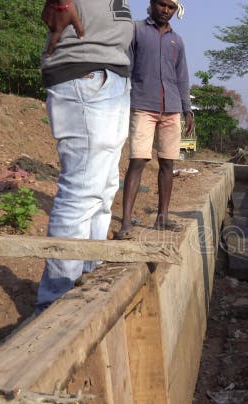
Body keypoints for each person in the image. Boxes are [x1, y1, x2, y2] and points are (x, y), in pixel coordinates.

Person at [35, 0, 133, 314]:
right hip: (85, 69)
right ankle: (56, 304)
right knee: (82, 191)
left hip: (109, 71)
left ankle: (88, 280)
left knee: (104, 190)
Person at [115, 0, 194, 238]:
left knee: (168, 163)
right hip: (142, 105)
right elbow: (126, 68)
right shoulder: (137, 30)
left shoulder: (176, 40)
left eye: (171, 7)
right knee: (138, 161)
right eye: (162, 5)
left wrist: (187, 109)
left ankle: (163, 217)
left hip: (171, 109)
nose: (166, 10)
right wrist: (119, 99)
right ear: (152, 4)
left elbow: (181, 78)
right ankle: (126, 222)